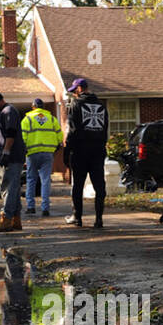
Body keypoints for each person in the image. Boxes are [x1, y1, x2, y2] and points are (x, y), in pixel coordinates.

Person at [62, 78, 109, 228]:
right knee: (99, 185)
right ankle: (99, 219)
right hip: (98, 150)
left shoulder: (75, 104)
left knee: (78, 185)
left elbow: (72, 130)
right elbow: (105, 128)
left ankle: (77, 217)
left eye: (75, 91)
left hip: (80, 151)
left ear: (80, 89)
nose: (74, 94)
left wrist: (67, 150)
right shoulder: (102, 106)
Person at [0, 89, 26, 233]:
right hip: (8, 156)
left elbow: (11, 133)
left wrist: (6, 151)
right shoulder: (5, 112)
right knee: (12, 188)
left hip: (12, 156)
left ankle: (6, 219)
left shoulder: (9, 111)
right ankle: (16, 220)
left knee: (9, 188)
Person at [21, 98, 62, 216]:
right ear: (43, 107)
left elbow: (23, 136)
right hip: (48, 153)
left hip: (32, 153)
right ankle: (45, 208)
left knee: (31, 179)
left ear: (33, 107)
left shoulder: (27, 119)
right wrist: (56, 146)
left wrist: (23, 149)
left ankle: (31, 206)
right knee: (45, 180)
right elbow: (59, 135)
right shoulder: (52, 119)